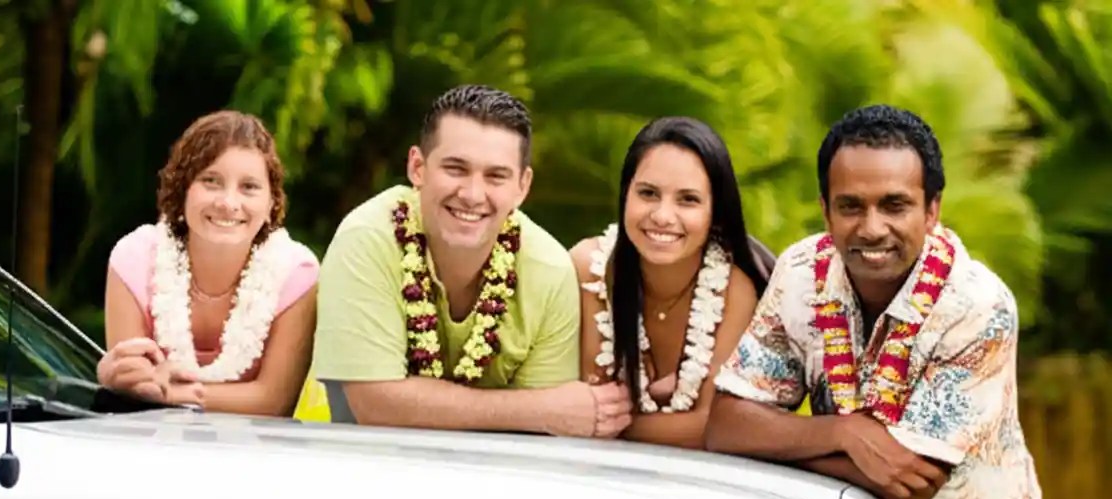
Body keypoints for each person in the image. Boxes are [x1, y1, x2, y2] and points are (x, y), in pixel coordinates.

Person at [704, 105, 1053, 499]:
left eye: (894, 205)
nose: (871, 228)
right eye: (851, 206)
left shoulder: (977, 307)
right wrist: (843, 430)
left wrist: (785, 441)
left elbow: (910, 479)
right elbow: (726, 425)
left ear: (932, 209)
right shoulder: (799, 275)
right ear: (826, 208)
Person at [311, 84, 632, 437]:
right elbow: (375, 404)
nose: (472, 195)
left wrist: (542, 414)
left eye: (496, 176)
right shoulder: (368, 239)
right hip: (364, 471)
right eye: (456, 168)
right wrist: (538, 409)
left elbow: (542, 440)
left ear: (522, 187)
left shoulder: (549, 271)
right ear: (418, 167)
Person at [96, 110, 319, 416]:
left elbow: (273, 401)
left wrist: (171, 393)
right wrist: (118, 378)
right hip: (148, 444)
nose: (228, 203)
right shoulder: (134, 258)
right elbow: (134, 387)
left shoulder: (297, 273)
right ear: (181, 191)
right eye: (211, 181)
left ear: (271, 203)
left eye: (249, 187)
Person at [570, 116, 769, 448]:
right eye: (648, 193)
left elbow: (716, 426)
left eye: (688, 199)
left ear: (715, 212)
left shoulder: (734, 290)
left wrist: (611, 424)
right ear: (625, 196)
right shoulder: (588, 268)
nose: (662, 216)